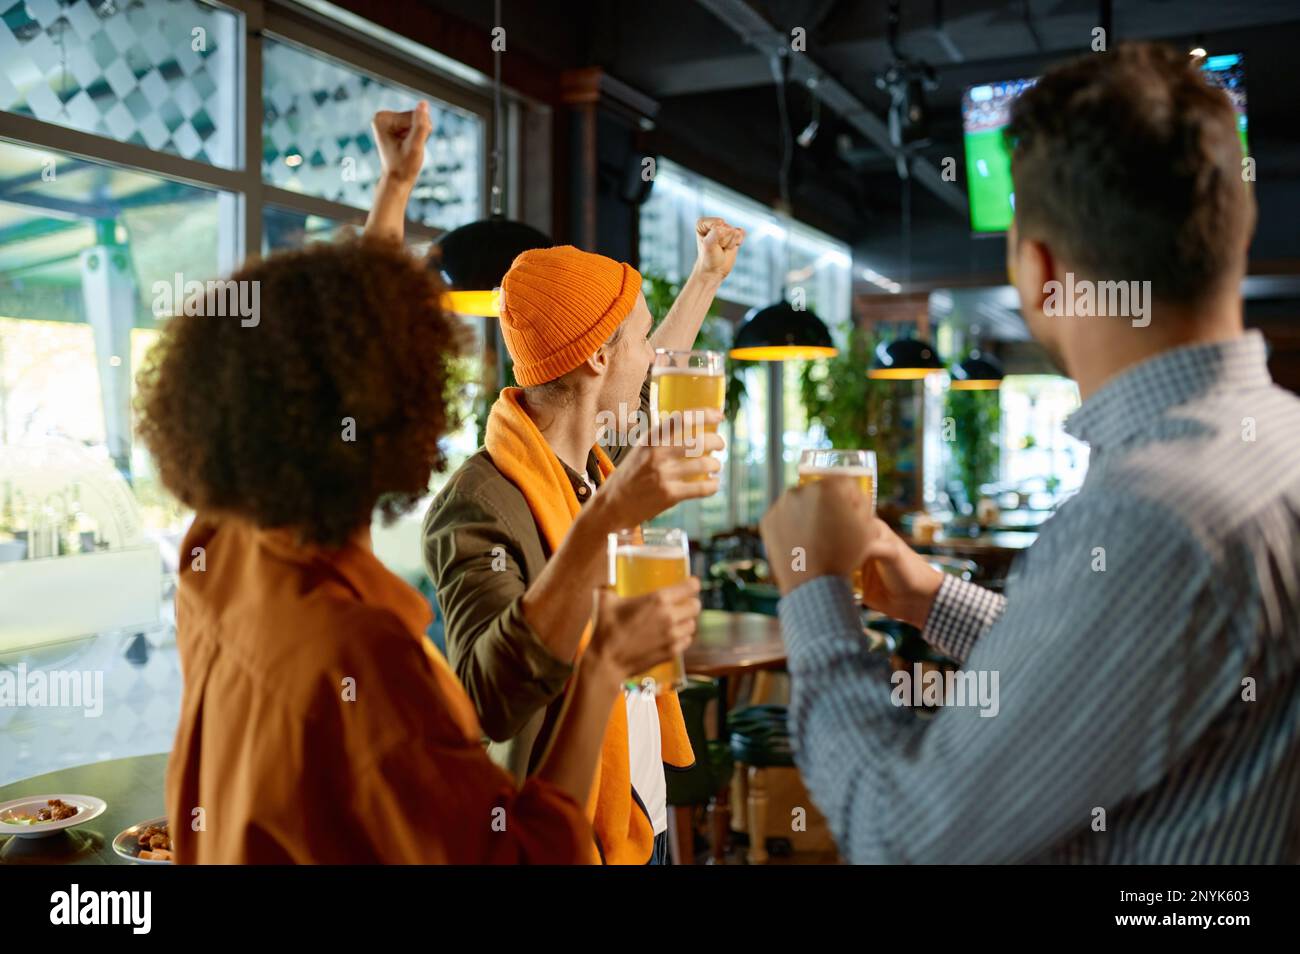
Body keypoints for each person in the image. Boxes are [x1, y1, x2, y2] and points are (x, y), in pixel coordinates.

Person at [760, 43, 1300, 864]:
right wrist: (931, 598)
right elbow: (1126, 668)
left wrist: (813, 596)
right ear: (1238, 227)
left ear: (1041, 273)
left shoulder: (1150, 518)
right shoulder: (1274, 444)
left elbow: (902, 836)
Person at [137, 105, 694, 863]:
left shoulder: (220, 563)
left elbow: (336, 369)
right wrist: (599, 668)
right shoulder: (367, 662)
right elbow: (523, 854)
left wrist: (393, 195)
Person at [423, 218, 744, 864]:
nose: (655, 356)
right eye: (640, 339)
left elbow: (644, 388)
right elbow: (490, 698)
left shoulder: (595, 464)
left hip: (638, 805)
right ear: (598, 357)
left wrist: (706, 278)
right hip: (557, 835)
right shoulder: (476, 506)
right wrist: (607, 520)